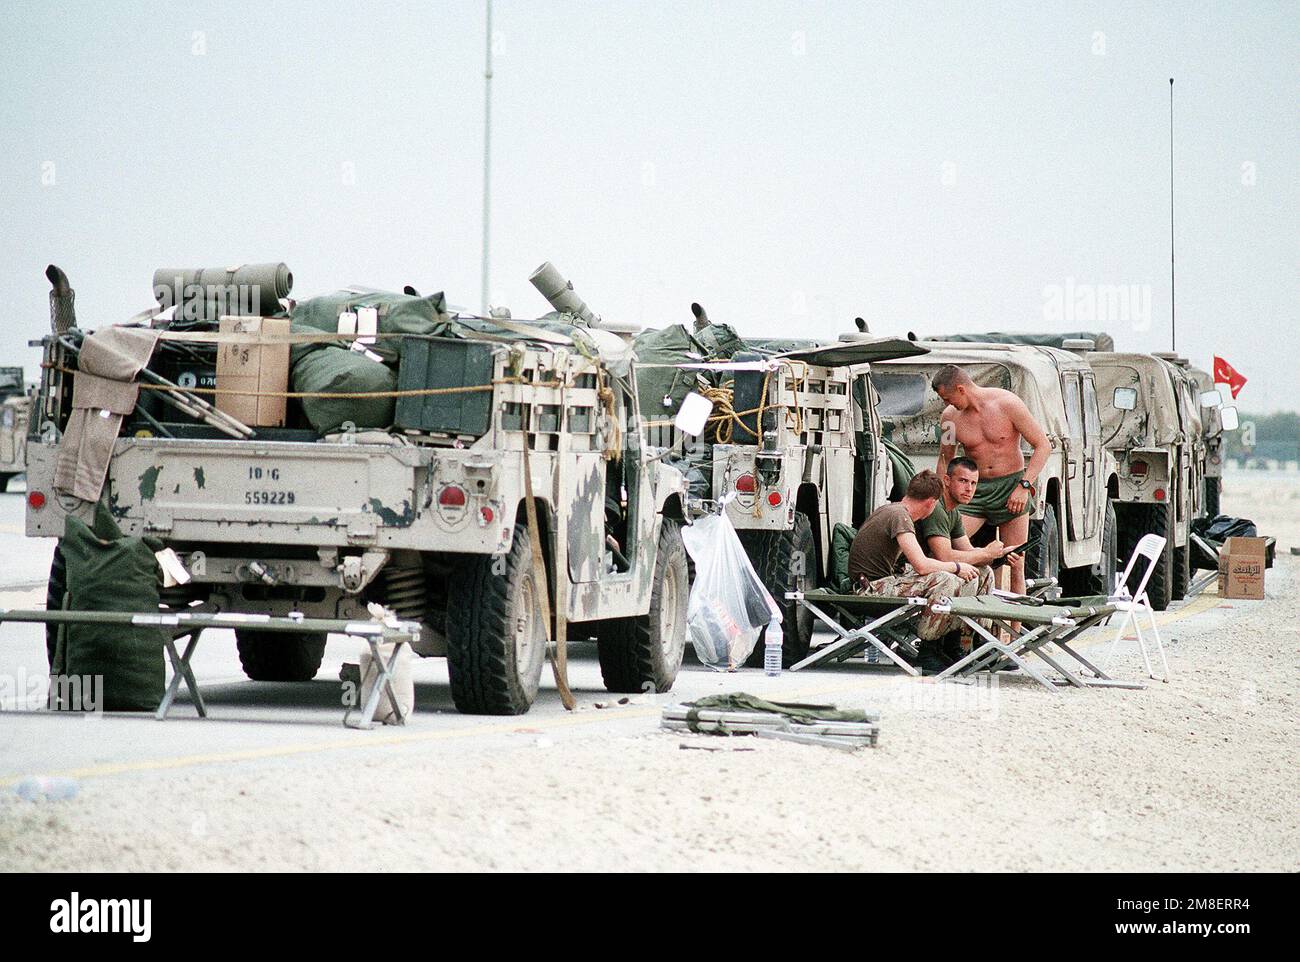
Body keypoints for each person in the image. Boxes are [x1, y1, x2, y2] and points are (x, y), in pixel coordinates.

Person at [847, 470, 986, 672]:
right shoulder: (900, 516)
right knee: (945, 579)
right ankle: (928, 651)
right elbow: (921, 564)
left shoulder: (893, 510)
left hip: (877, 582)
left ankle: (949, 646)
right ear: (931, 503)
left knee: (953, 577)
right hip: (871, 589)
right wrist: (956, 567)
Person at [932, 365, 1050, 598]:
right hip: (973, 490)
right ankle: (967, 622)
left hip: (1011, 488)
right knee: (950, 549)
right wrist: (940, 499)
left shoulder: (1008, 404)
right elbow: (946, 458)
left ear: (961, 388)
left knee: (1016, 562)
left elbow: (1043, 445)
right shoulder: (949, 418)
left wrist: (1024, 486)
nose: (948, 403)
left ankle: (1016, 632)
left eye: (948, 397)